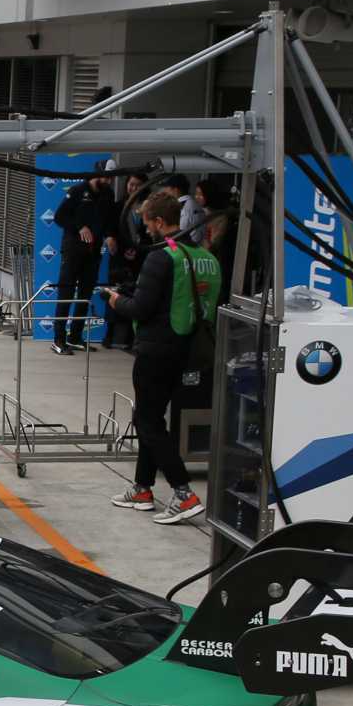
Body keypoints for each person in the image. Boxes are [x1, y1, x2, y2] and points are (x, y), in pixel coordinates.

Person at [100, 191, 217, 525]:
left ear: (160, 221)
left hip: (156, 348)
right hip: (186, 348)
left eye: (148, 221)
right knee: (151, 416)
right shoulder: (202, 255)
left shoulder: (162, 257)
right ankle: (142, 488)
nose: (146, 228)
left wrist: (115, 301)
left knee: (148, 422)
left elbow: (140, 308)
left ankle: (183, 492)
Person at [51, 168, 116, 354]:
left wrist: (110, 235)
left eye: (111, 177)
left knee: (85, 295)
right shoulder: (78, 190)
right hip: (73, 250)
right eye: (105, 176)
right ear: (97, 175)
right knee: (66, 294)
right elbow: (59, 216)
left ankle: (75, 337)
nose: (108, 181)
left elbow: (109, 220)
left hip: (93, 252)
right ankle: (58, 339)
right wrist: (79, 227)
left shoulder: (108, 194)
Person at [103, 172, 150, 351]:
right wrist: (110, 238)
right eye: (131, 184)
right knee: (114, 292)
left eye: (138, 185)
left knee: (137, 296)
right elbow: (110, 229)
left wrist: (139, 250)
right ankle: (109, 334)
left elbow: (150, 235)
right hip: (120, 258)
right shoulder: (118, 206)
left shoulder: (149, 208)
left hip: (141, 257)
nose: (134, 188)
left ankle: (132, 338)